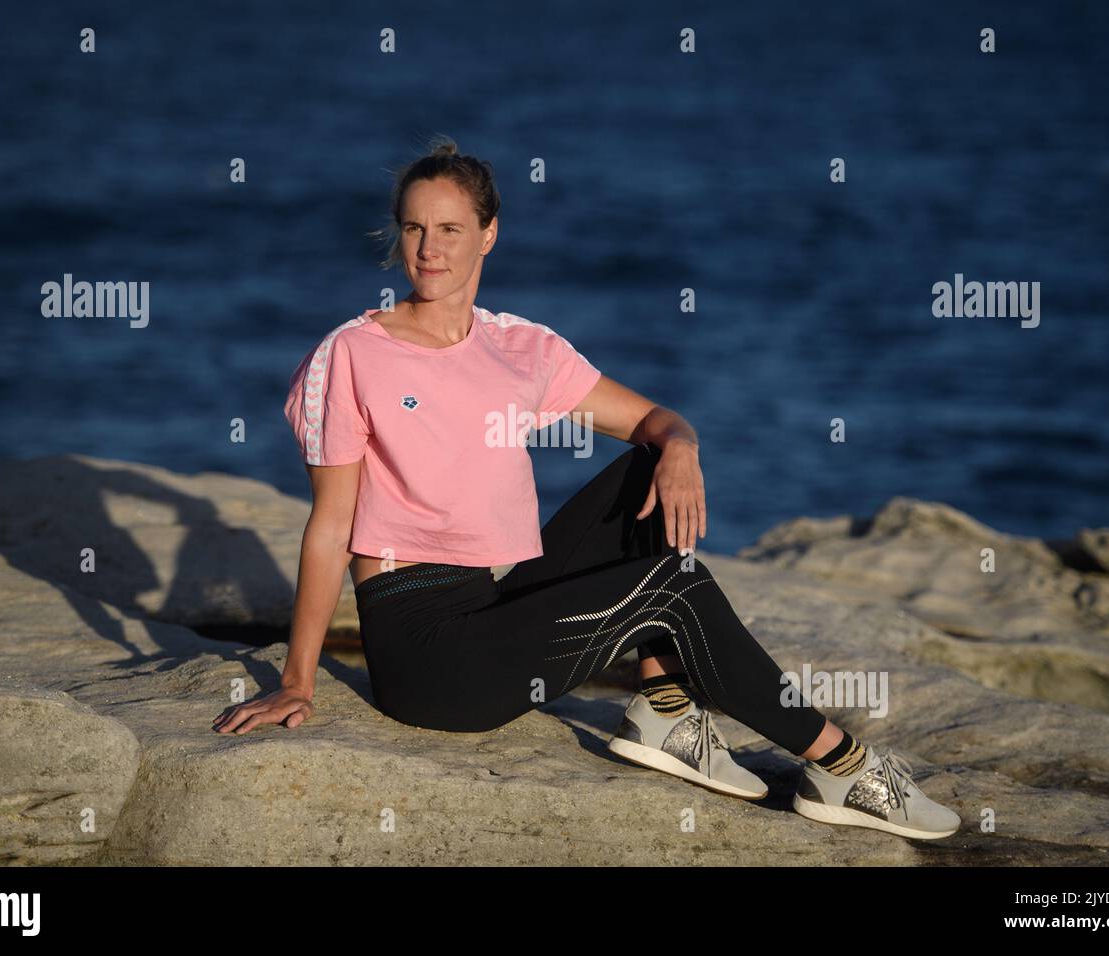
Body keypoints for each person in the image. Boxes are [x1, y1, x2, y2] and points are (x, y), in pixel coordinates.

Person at [213, 137, 961, 840]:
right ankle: (844, 767)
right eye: (413, 228)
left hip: (491, 602)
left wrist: (682, 445)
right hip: (426, 656)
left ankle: (667, 713)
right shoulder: (352, 355)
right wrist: (298, 680)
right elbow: (329, 523)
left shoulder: (521, 348)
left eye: (448, 228)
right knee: (672, 584)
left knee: (648, 468)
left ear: (488, 234)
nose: (428, 249)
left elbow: (653, 421)